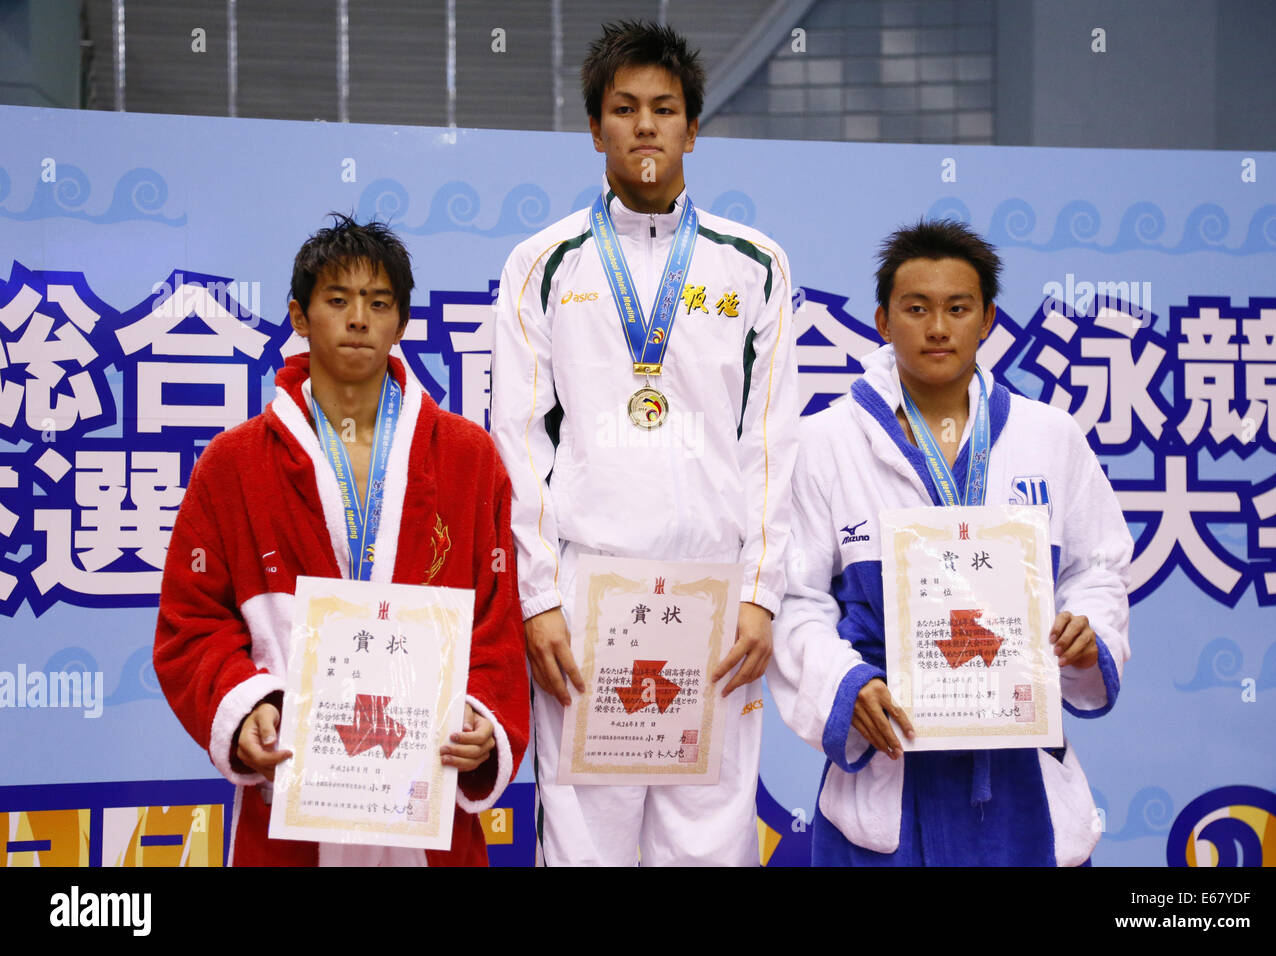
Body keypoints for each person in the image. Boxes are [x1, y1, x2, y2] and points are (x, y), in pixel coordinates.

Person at [490, 20, 797, 866]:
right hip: (590, 595)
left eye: (665, 108)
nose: (645, 126)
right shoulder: (541, 264)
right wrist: (539, 596)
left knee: (711, 842)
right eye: (624, 109)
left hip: (717, 598)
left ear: (694, 127)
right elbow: (518, 445)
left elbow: (770, 443)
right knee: (588, 844)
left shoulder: (755, 264)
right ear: (595, 128)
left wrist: (762, 595)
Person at [154, 214, 529, 866]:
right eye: (337, 300)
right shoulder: (234, 463)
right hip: (292, 784)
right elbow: (192, 623)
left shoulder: (469, 459)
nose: (359, 319)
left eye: (378, 303)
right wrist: (247, 708)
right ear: (299, 317)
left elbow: (498, 620)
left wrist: (483, 720)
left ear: (401, 324)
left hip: (425, 784)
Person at [769, 219, 1133, 866]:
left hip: (1019, 761)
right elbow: (794, 596)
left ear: (988, 318)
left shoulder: (1049, 437)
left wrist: (1088, 630)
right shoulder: (825, 443)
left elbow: (1098, 567)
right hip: (891, 757)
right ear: (882, 320)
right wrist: (845, 685)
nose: (938, 327)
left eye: (958, 308)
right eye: (917, 309)